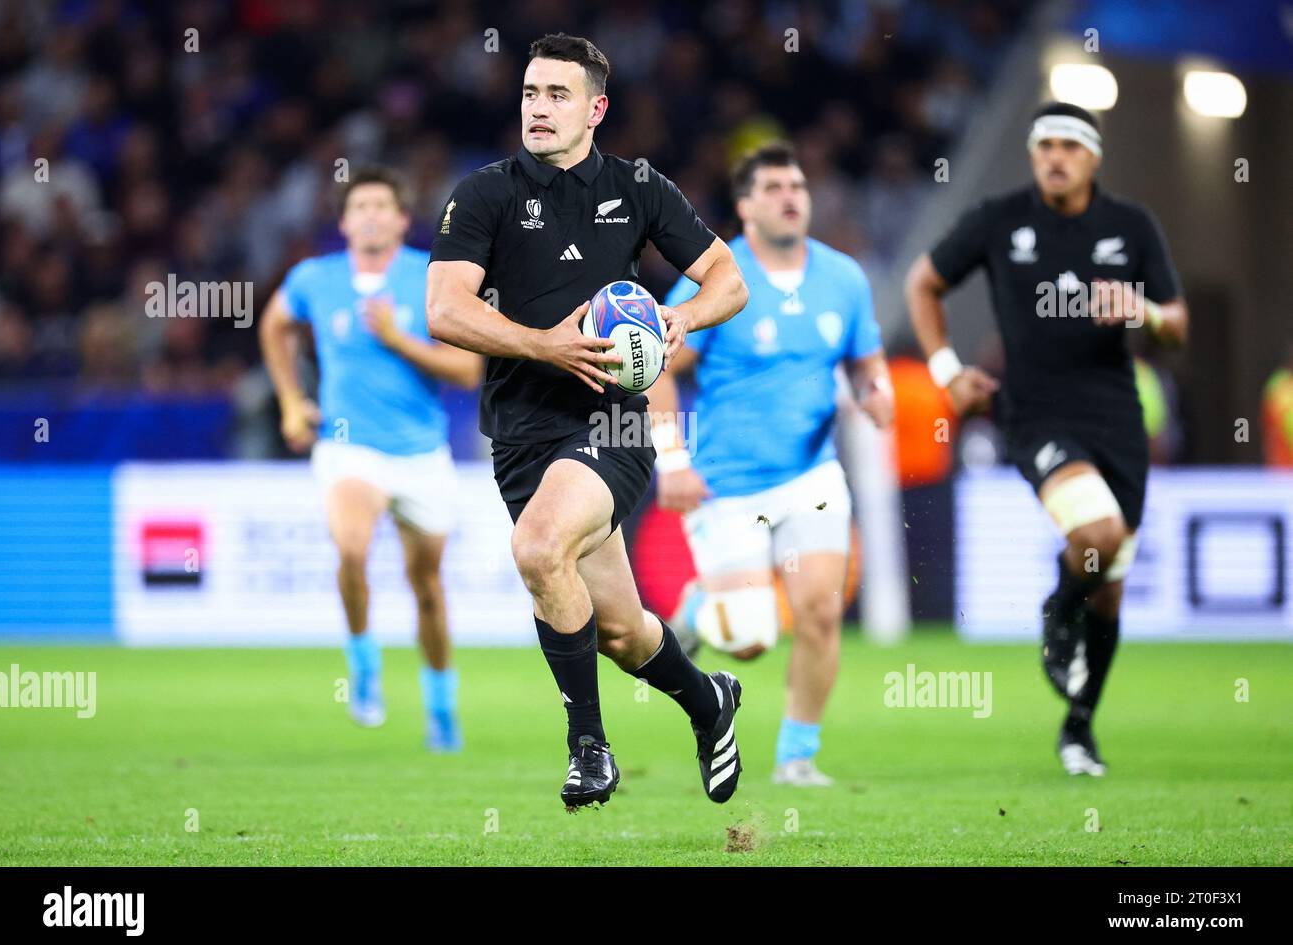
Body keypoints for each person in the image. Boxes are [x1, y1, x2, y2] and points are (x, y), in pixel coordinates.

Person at [425, 34, 750, 808]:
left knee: (538, 547)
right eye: (530, 93)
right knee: (623, 632)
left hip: (613, 426)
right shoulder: (485, 194)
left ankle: (589, 750)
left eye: (558, 95)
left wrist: (682, 318)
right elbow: (443, 310)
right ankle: (710, 702)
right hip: (520, 438)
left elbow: (728, 280)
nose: (538, 108)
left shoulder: (638, 187)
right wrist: (545, 344)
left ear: (596, 109)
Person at [904, 102, 1188, 775]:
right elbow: (923, 282)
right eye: (1045, 146)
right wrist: (947, 372)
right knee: (1096, 536)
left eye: (1070, 145)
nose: (1056, 157)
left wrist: (1144, 310)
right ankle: (1058, 614)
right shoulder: (1000, 220)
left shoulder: (1130, 226)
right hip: (1035, 414)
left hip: (1117, 419)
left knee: (1109, 584)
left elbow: (1177, 326)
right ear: (1033, 155)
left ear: (1094, 157)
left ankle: (1079, 728)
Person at [650, 142, 893, 786]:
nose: (791, 198)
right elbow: (657, 368)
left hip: (813, 475)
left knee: (820, 612)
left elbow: (865, 362)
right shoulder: (717, 281)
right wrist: (671, 460)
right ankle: (699, 611)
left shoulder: (844, 278)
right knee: (750, 640)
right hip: (727, 486)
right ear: (746, 207)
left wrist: (876, 392)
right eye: (775, 188)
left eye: (798, 187)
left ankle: (797, 757)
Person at [260, 167, 482, 749]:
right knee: (352, 548)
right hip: (348, 446)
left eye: (382, 205)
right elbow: (274, 324)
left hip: (420, 454)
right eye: (359, 206)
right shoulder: (315, 277)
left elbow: (468, 371)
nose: (371, 216)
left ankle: (440, 703)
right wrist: (290, 401)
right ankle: (364, 664)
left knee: (427, 587)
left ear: (403, 219)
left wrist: (397, 339)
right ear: (344, 222)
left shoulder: (432, 278)